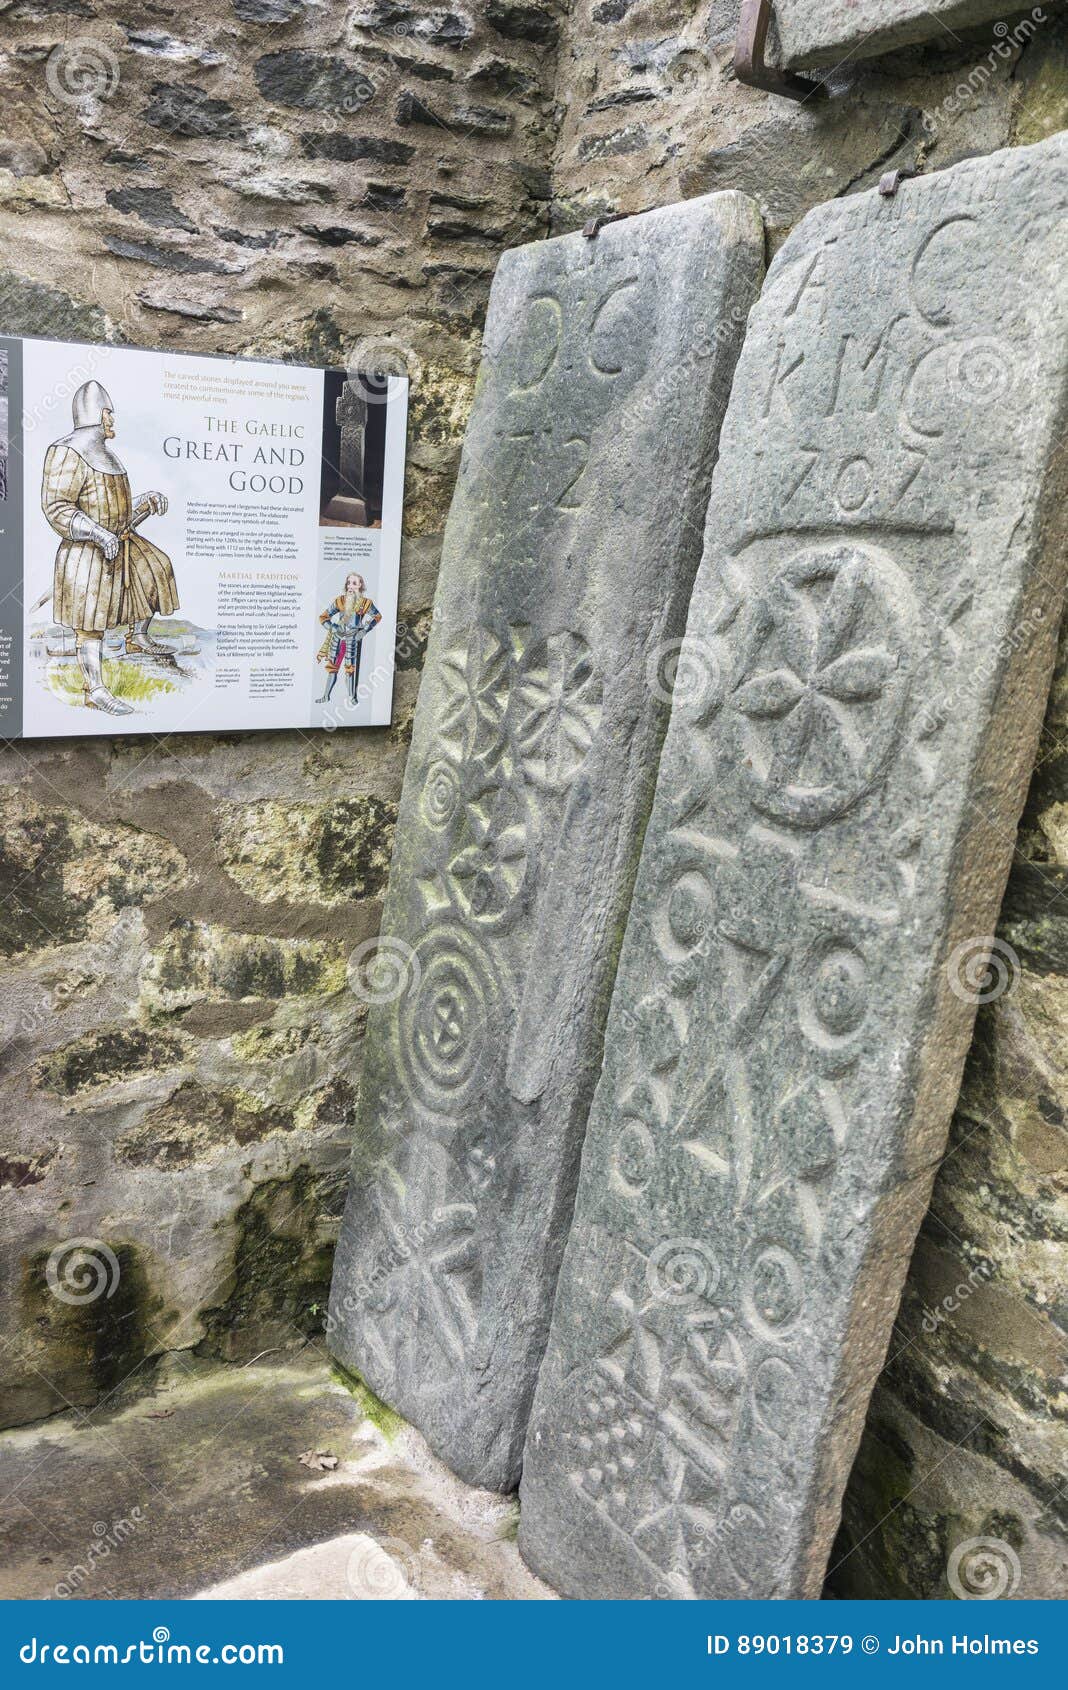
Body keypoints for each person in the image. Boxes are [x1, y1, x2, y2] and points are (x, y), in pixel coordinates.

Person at [41, 380, 177, 715]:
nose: (112, 420)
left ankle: (137, 637)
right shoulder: (66, 451)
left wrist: (144, 501)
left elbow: (114, 510)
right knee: (91, 622)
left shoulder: (108, 455)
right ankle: (95, 690)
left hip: (120, 541)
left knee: (156, 568)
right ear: (94, 415)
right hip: (86, 551)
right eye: (108, 413)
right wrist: (98, 535)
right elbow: (58, 506)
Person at [316, 571, 381, 705]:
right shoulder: (340, 601)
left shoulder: (365, 603)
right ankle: (326, 696)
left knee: (350, 669)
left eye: (354, 583)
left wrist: (365, 630)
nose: (350, 586)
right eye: (348, 583)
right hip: (338, 638)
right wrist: (332, 627)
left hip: (353, 638)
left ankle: (352, 697)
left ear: (360, 586)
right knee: (333, 668)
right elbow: (323, 617)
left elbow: (377, 616)